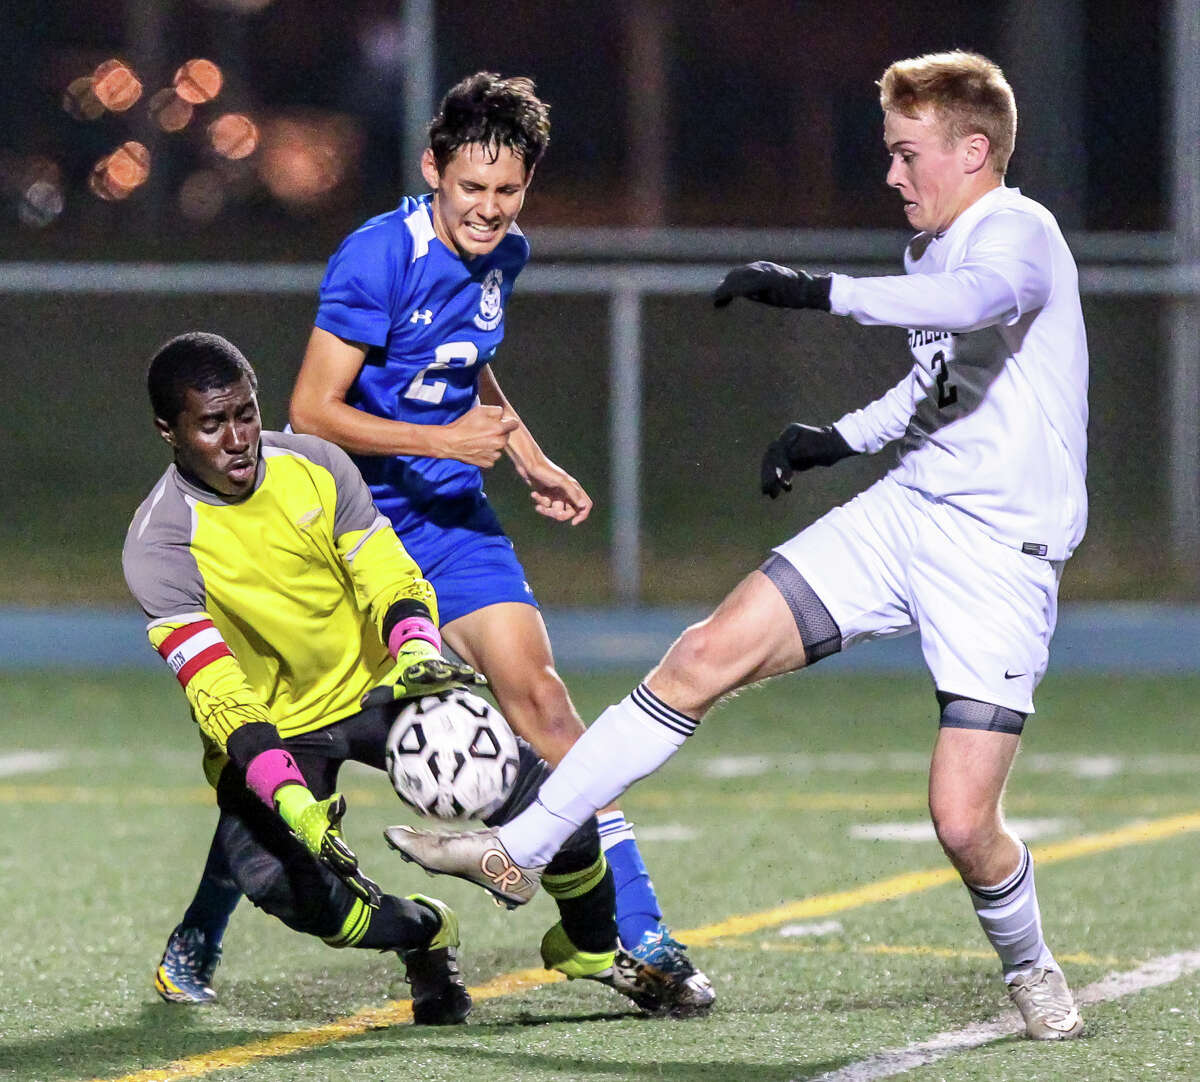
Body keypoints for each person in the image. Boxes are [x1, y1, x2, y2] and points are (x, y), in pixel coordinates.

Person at [386, 51, 1090, 1042]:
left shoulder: (1019, 235)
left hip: (1000, 559)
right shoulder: (934, 251)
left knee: (962, 821)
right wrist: (833, 439)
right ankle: (519, 849)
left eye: (905, 155)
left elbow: (967, 310)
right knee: (700, 654)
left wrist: (816, 291)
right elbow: (938, 384)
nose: (891, 176)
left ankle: (1031, 965)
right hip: (906, 514)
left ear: (975, 150)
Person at [155, 72, 713, 1015]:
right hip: (353, 535)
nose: (490, 210)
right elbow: (310, 412)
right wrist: (445, 440)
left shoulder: (508, 252)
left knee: (544, 703)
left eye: (508, 192)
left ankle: (634, 932)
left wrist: (526, 454)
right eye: (471, 190)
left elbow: (465, 359)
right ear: (431, 172)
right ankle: (199, 933)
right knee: (299, 757)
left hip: (452, 522)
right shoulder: (375, 257)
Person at [127, 332, 673, 1023]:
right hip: (279, 728)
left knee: (552, 800)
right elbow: (218, 692)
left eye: (245, 413)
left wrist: (415, 647)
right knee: (288, 891)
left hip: (382, 686)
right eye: (212, 424)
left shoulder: (316, 464)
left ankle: (591, 946)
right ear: (167, 431)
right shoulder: (159, 545)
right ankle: (425, 933)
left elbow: (388, 572)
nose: (239, 438)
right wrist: (291, 800)